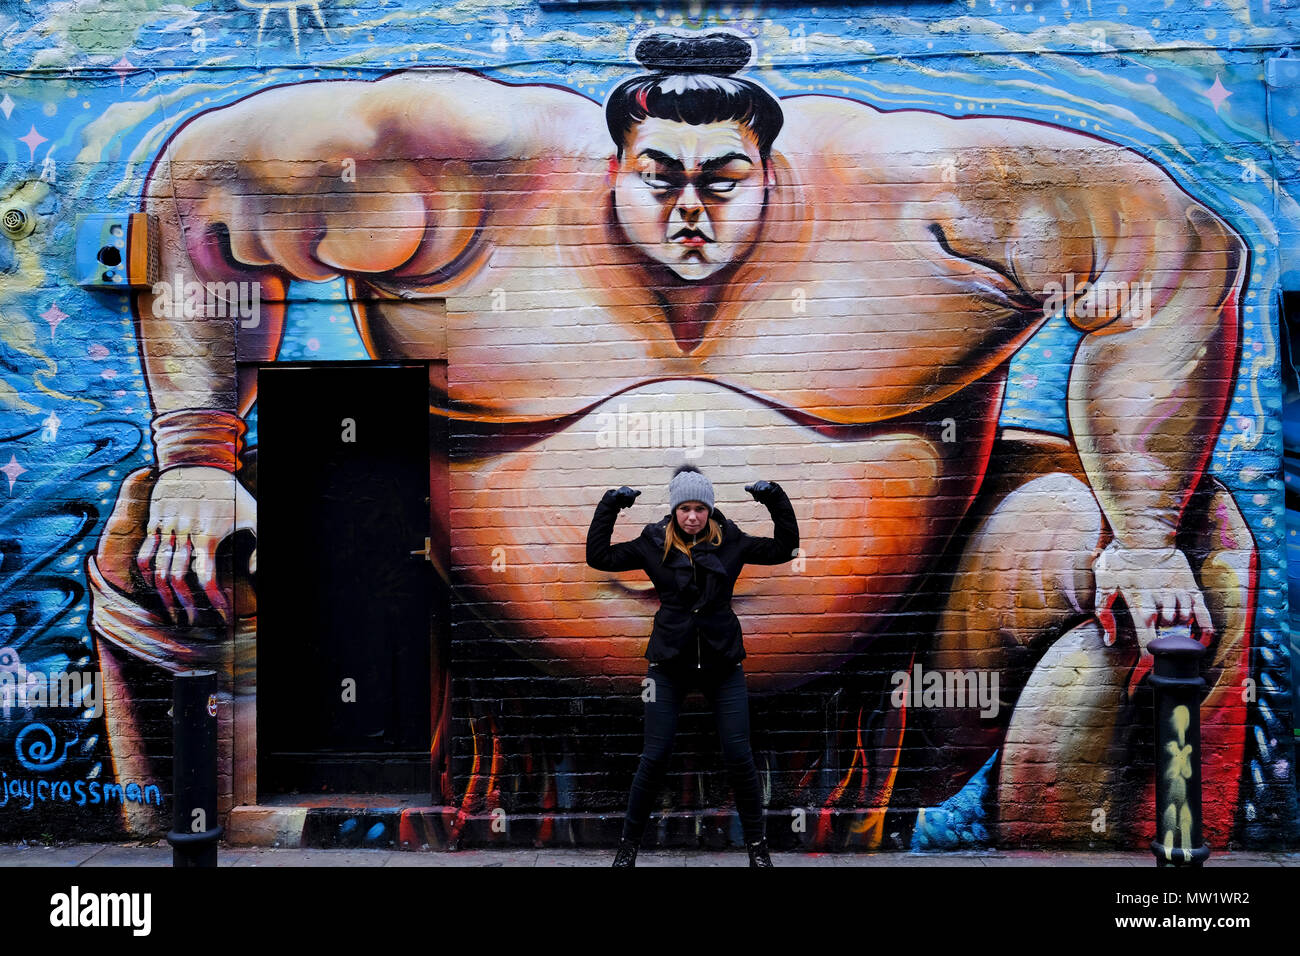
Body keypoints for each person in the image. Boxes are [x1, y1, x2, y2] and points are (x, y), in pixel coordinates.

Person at [90, 27, 1255, 844]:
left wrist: (1142, 531)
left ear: (771, 161)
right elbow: (209, 189)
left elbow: (1173, 257)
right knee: (175, 535)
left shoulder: (931, 197)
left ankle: (1113, 892)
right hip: (459, 654)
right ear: (615, 155)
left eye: (724, 180)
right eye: (660, 179)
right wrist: (198, 451)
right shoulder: (460, 169)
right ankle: (198, 889)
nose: (691, 211)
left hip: (888, 672)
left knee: (1186, 550)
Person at [586, 464, 799, 866]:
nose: (692, 516)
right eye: (684, 508)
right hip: (668, 665)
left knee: (739, 756)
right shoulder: (651, 543)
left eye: (700, 508)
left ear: (709, 510)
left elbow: (785, 548)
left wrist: (774, 496)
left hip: (723, 664)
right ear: (674, 510)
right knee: (655, 756)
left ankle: (758, 851)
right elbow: (598, 556)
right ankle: (627, 850)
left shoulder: (732, 541)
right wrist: (612, 503)